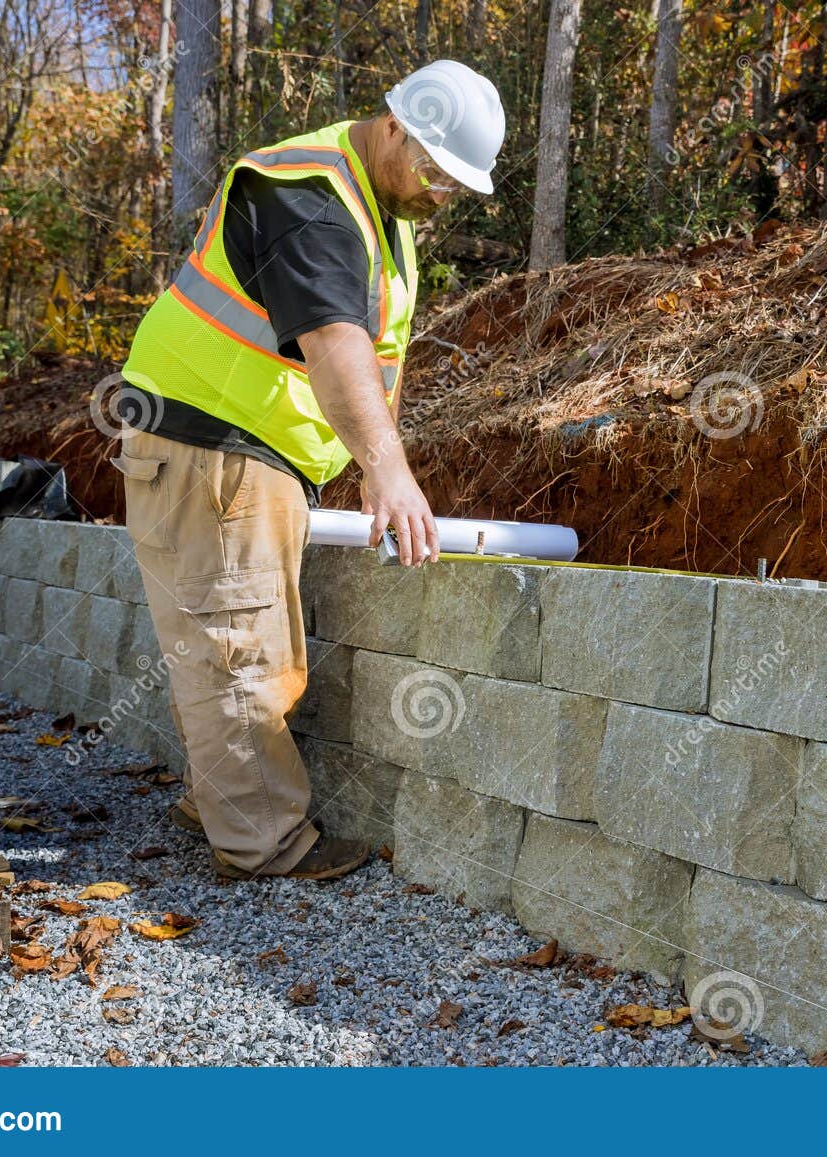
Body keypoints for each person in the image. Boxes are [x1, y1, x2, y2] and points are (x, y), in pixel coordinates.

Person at [113, 60, 505, 881]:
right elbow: (334, 345)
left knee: (249, 642)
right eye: (434, 170)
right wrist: (386, 471)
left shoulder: (374, 207)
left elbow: (371, 360)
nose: (441, 193)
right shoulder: (310, 198)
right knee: (239, 652)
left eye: (456, 187)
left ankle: (218, 801)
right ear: (395, 125)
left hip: (241, 452)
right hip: (211, 444)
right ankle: (262, 846)